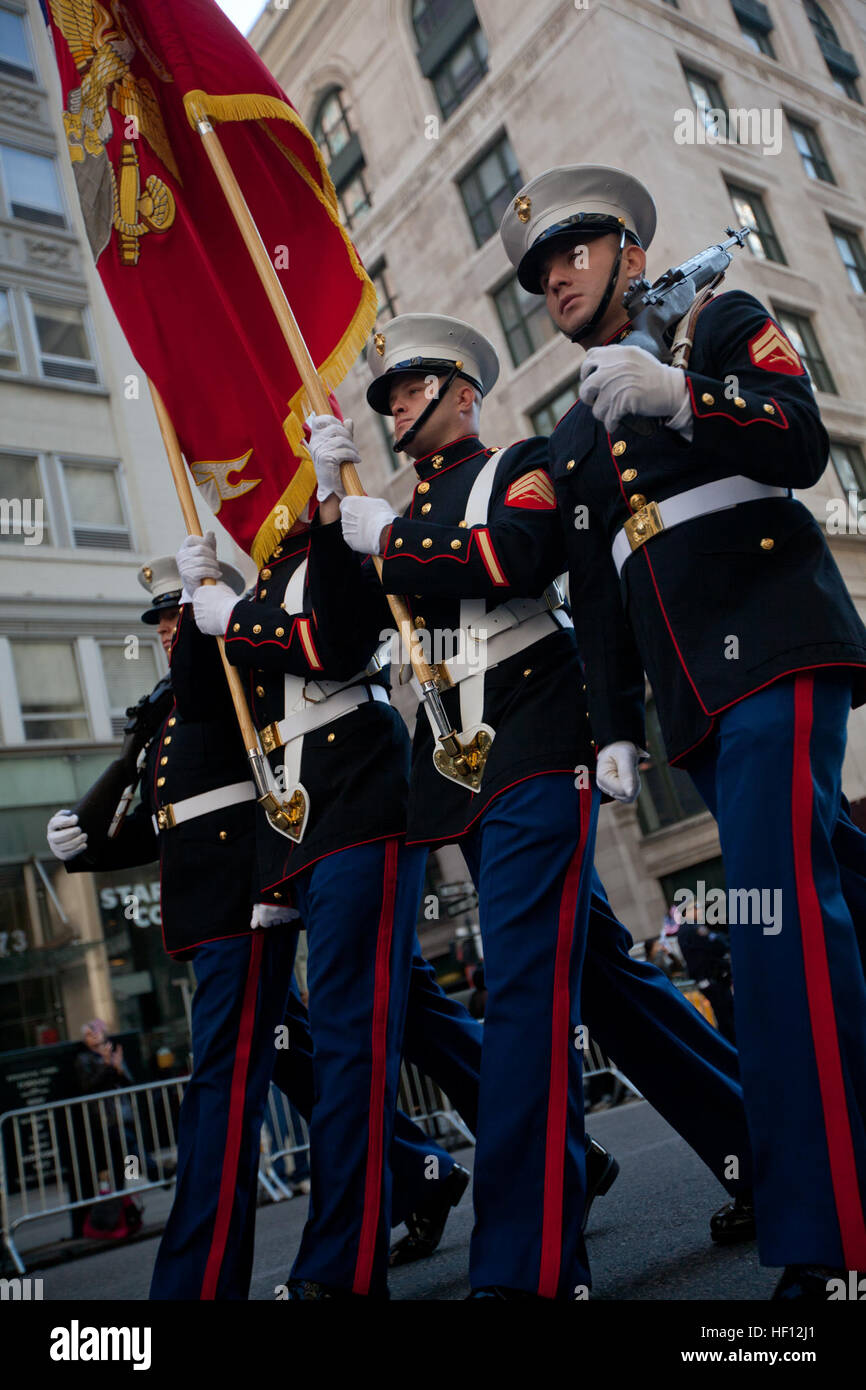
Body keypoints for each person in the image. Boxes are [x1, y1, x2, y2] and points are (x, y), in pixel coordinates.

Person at [302, 314, 757, 1298]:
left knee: (517, 989)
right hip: (456, 767)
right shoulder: (380, 508)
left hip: (534, 734)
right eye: (384, 398)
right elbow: (338, 644)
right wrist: (322, 513)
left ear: (462, 390)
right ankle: (748, 1146)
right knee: (595, 975)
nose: (394, 408)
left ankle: (527, 1263)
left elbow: (511, 557)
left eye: (410, 388)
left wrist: (391, 536)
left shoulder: (516, 461)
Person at [501, 163, 866, 1297]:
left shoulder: (719, 321)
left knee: (775, 937)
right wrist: (613, 726)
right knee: (836, 898)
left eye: (572, 251)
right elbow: (597, 593)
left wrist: (682, 396)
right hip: (692, 698)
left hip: (774, 641)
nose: (553, 278)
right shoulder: (567, 434)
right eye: (537, 268)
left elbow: (799, 442)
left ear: (625, 249)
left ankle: (830, 1237)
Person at [48, 556, 299, 1300]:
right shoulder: (167, 702)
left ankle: (195, 1287)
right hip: (203, 905)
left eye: (177, 614)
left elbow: (270, 782)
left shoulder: (240, 668)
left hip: (240, 902)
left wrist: (273, 880)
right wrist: (91, 847)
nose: (166, 630)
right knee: (299, 1055)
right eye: (160, 620)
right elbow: (168, 821)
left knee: (218, 1089)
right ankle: (421, 1172)